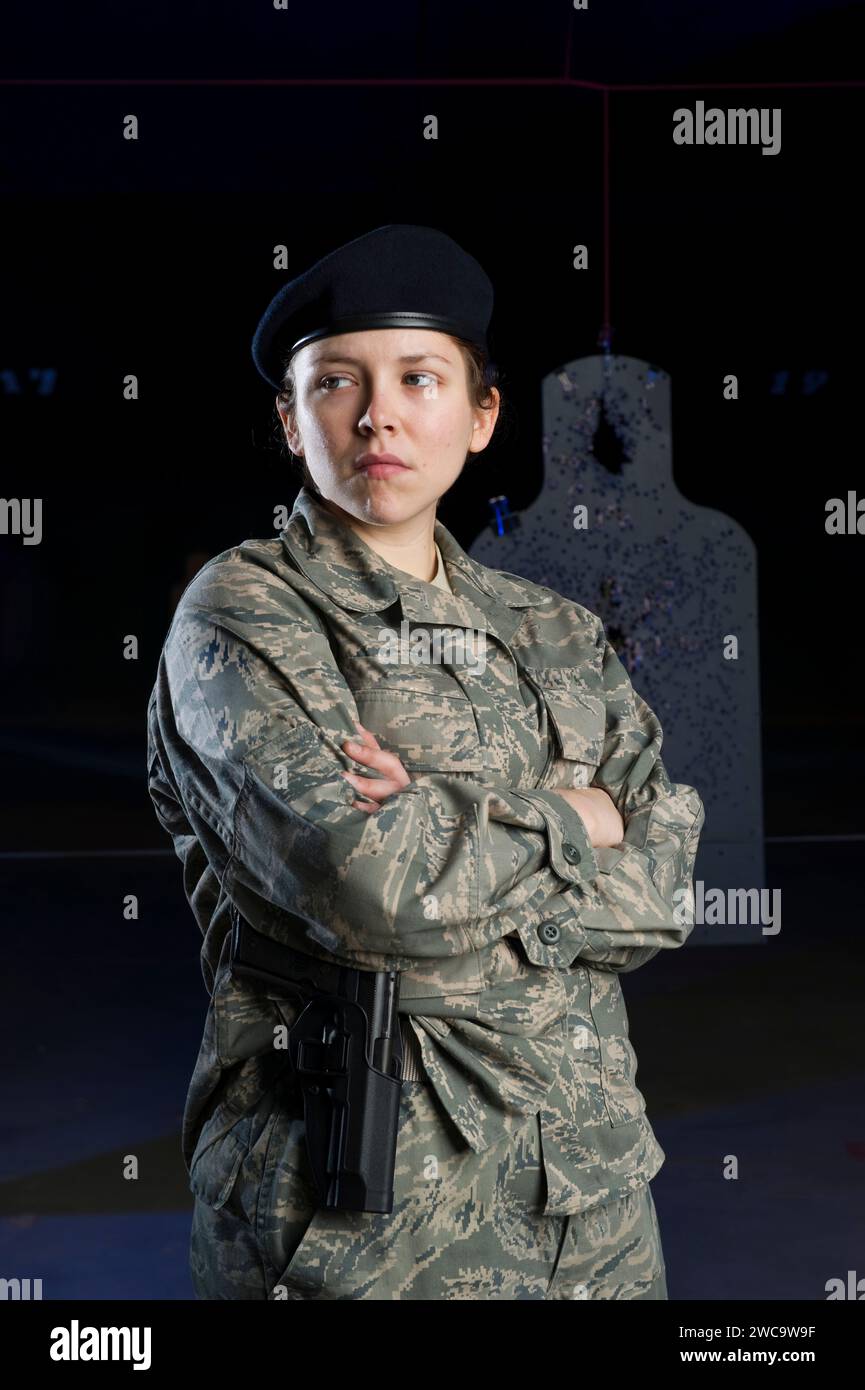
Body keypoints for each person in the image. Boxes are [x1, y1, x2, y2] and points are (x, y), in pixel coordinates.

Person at [146, 223, 705, 1300]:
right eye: (336, 383)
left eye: (418, 377)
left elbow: (671, 876)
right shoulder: (243, 613)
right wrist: (575, 817)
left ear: (481, 413)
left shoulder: (556, 632)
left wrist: (450, 820)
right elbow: (369, 893)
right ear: (290, 417)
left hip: (586, 1211)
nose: (378, 414)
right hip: (362, 1224)